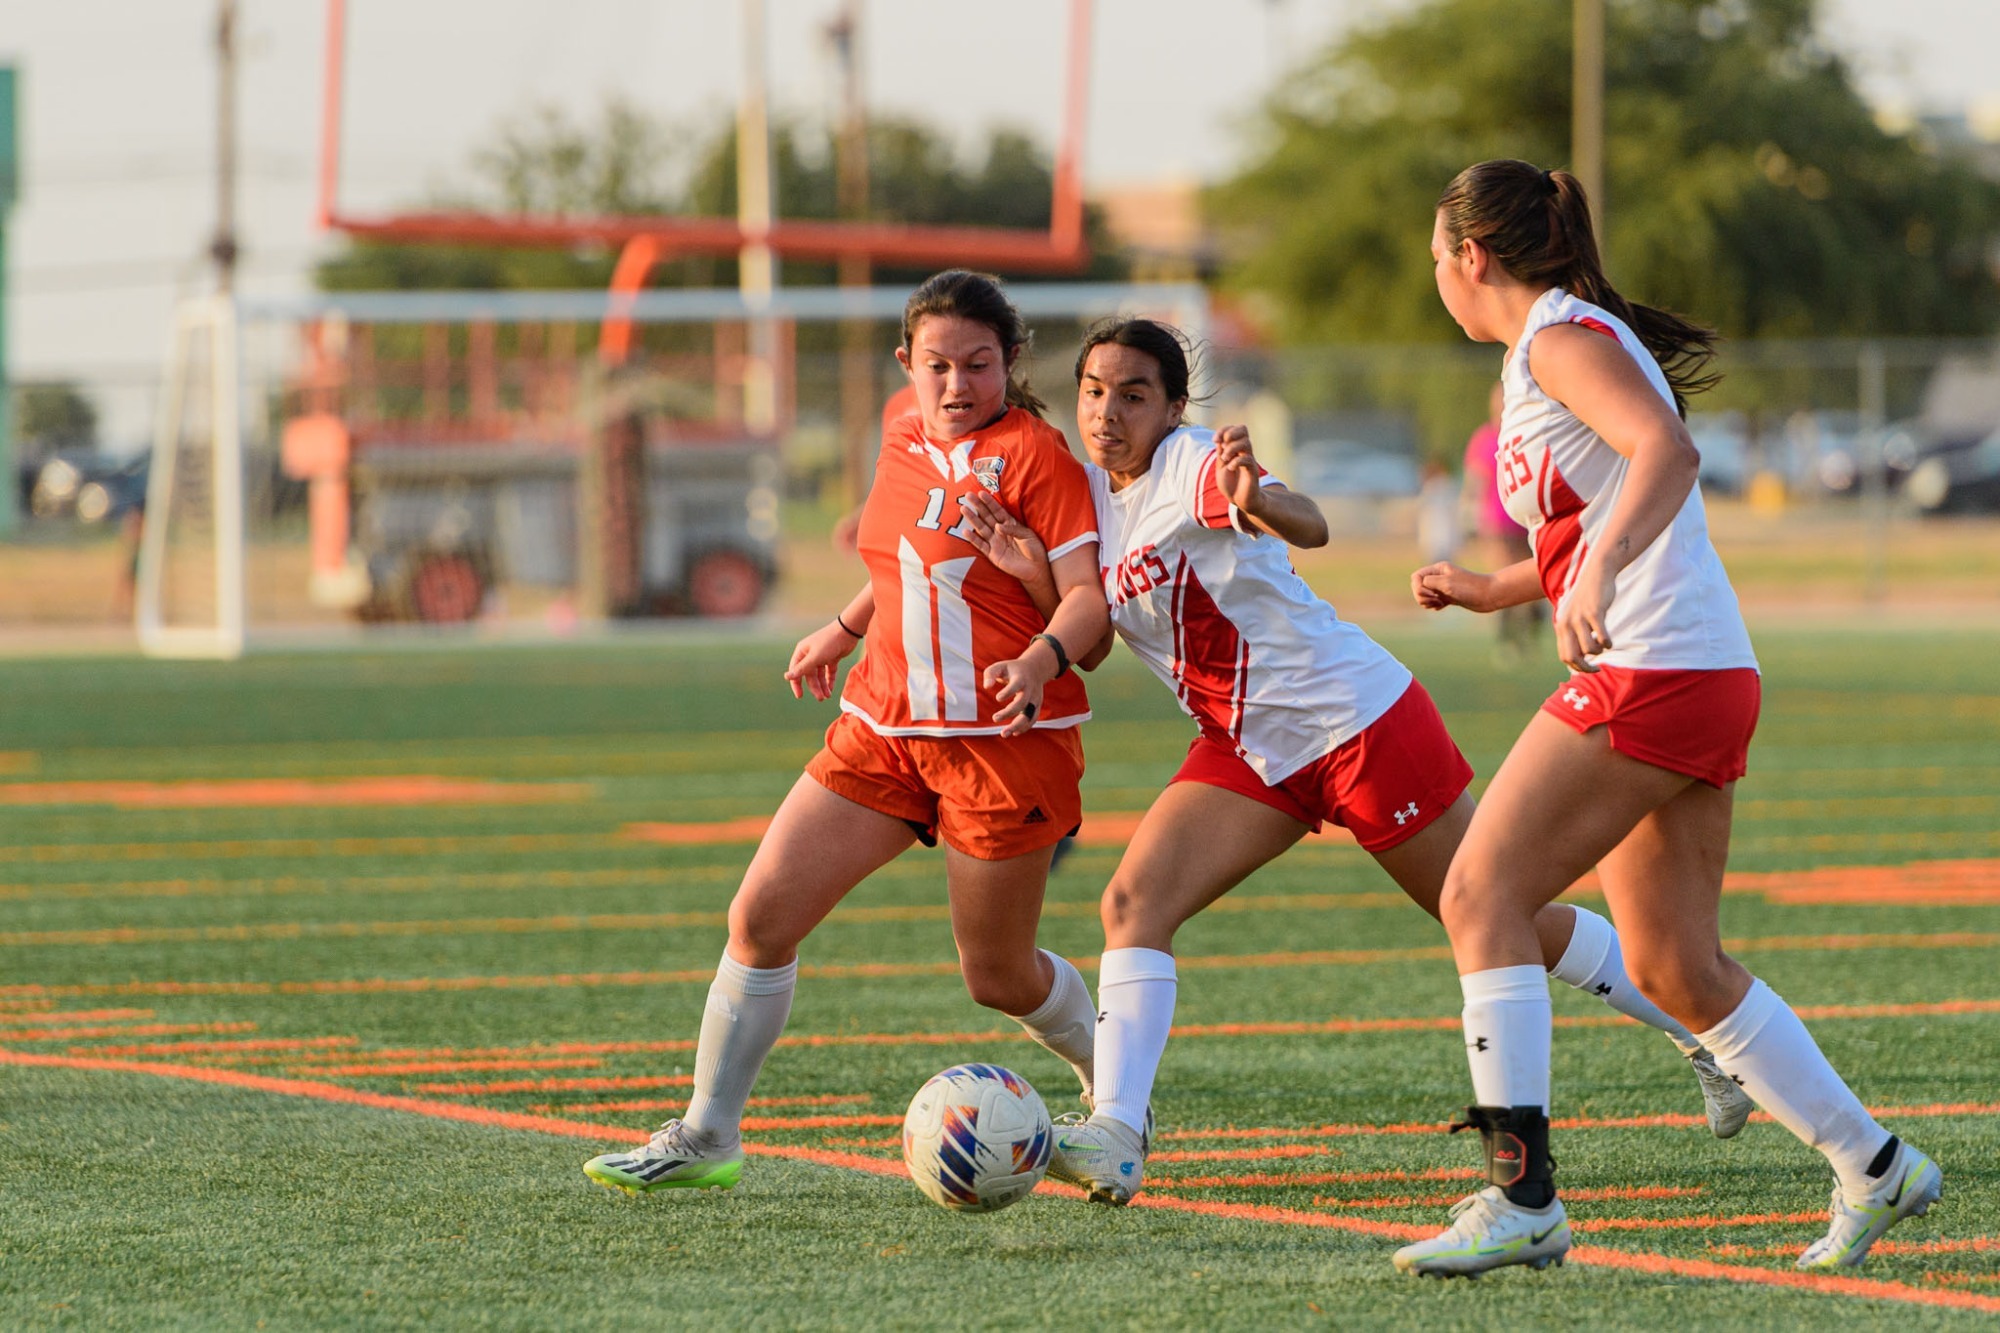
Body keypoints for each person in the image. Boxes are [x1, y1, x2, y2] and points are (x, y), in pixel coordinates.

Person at [953, 317, 1750, 1207]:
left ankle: (1702, 1031)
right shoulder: (1096, 501)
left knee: (1500, 912)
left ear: (1174, 406)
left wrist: (1257, 494)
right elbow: (1094, 642)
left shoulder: (1187, 465)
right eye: (1095, 390)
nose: (1107, 411)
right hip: (1250, 747)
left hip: (1354, 722)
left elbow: (1313, 523)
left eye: (1134, 394)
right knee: (1134, 901)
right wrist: (1032, 575)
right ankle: (1118, 1136)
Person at [1394, 160, 1939, 1276]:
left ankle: (1520, 1195)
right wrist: (1492, 588)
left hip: (1651, 666)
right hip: (1694, 665)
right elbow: (1590, 511)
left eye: (1434, 257)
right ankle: (1874, 1163)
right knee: (1673, 964)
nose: (1434, 277)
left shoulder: (1554, 337)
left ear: (1470, 258)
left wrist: (1596, 574)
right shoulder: (1545, 342)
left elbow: (1665, 453)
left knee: (1477, 890)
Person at [582, 271, 1111, 1195]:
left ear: (1012, 361)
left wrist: (1039, 659)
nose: (957, 386)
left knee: (996, 974)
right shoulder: (901, 431)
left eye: (979, 366)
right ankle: (708, 1133)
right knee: (760, 916)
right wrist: (847, 623)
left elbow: (1090, 611)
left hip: (1002, 743)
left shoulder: (1038, 456)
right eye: (938, 365)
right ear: (905, 362)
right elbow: (905, 550)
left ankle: (1118, 1087)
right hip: (882, 725)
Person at [1460, 380, 1543, 658]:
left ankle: (1530, 628)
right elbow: (1475, 479)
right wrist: (1468, 517)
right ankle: (1510, 637)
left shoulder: (1525, 431)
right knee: (1502, 576)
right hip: (1497, 520)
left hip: (1526, 519)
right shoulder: (1484, 438)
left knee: (1530, 576)